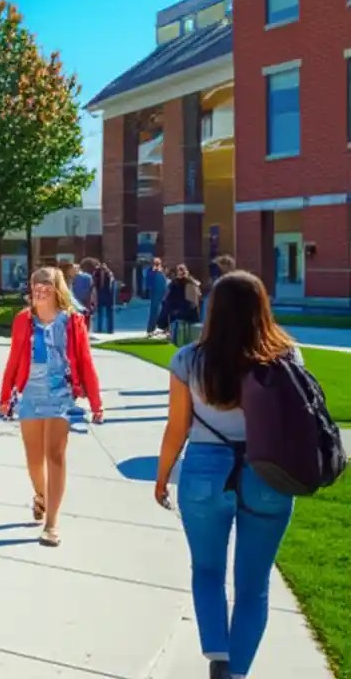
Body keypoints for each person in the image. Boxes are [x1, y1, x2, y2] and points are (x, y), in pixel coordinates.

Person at [153, 271, 300, 679]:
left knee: (207, 571)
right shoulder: (286, 357)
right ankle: (236, 672)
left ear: (213, 310)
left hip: (204, 473)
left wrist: (162, 476)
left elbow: (176, 428)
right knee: (253, 585)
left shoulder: (189, 359)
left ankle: (218, 654)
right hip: (266, 472)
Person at [0, 266, 102, 547]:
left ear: (57, 289)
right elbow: (13, 360)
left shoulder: (72, 321)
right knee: (34, 459)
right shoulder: (23, 320)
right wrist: (5, 396)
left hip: (60, 395)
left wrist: (96, 402)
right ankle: (41, 495)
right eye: (35, 284)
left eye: (45, 283)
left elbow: (85, 361)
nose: (39, 288)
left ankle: (52, 523)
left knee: (54, 455)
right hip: (30, 394)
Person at [159, 264, 202, 343]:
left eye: (182, 271)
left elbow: (192, 302)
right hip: (176, 308)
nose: (180, 273)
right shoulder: (174, 284)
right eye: (179, 271)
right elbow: (167, 298)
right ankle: (171, 332)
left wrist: (180, 311)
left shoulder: (190, 283)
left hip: (188, 311)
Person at [91, 261, 118, 334]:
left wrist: (108, 272)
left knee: (109, 313)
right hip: (99, 294)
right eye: (101, 267)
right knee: (99, 313)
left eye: (104, 267)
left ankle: (110, 330)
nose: (102, 268)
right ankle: (99, 329)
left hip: (108, 295)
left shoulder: (109, 274)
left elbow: (112, 284)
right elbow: (93, 281)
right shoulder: (97, 274)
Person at [147, 257, 169, 336]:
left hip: (162, 295)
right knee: (154, 311)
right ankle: (151, 329)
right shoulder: (151, 272)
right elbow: (149, 283)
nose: (157, 266)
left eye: (158, 264)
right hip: (156, 294)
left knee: (162, 312)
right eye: (155, 264)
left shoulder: (161, 273)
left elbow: (165, 283)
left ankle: (161, 328)